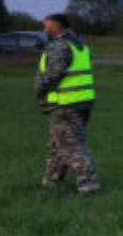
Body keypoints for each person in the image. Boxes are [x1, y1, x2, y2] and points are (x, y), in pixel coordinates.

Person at [36, 13, 100, 195]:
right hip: (83, 101)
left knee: (73, 145)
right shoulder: (80, 45)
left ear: (57, 29)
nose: (44, 31)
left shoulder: (59, 46)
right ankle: (52, 179)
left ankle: (89, 185)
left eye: (47, 27)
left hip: (66, 103)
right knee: (57, 143)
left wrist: (39, 91)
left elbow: (52, 76)